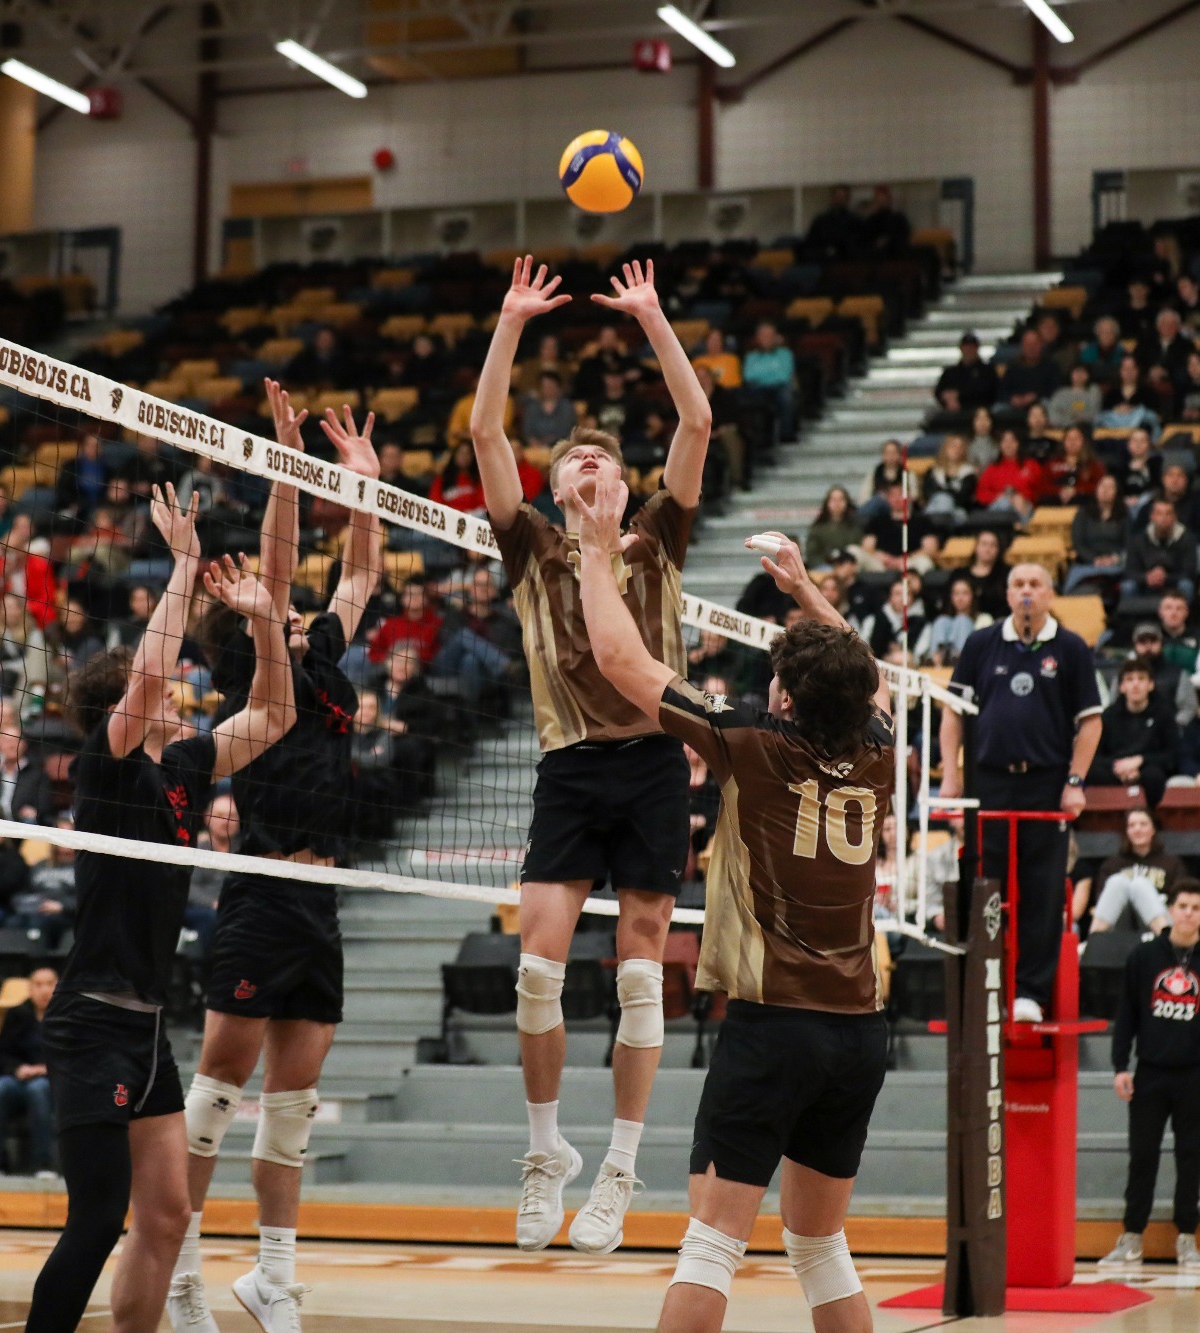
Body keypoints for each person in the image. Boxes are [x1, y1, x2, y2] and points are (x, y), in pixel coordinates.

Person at [571, 489, 892, 1333]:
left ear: (783, 698)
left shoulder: (752, 743)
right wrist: (805, 591)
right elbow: (864, 674)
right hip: (858, 1032)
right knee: (820, 1246)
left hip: (773, 1027)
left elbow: (617, 658)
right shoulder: (881, 752)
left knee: (712, 1244)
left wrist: (596, 550)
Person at [469, 257, 713, 1257]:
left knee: (642, 982)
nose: (586, 466)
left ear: (620, 483)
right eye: (572, 459)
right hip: (569, 765)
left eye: (601, 460)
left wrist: (652, 318)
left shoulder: (655, 536)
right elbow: (485, 432)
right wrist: (510, 321)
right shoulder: (529, 545)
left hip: (654, 760)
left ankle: (616, 1170)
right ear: (559, 485)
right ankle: (543, 1154)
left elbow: (694, 426)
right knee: (535, 971)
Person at [24, 486, 296, 1333]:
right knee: (98, 1219)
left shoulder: (180, 769)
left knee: (168, 1218)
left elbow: (276, 716)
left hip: (144, 1029)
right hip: (91, 1019)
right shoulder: (104, 771)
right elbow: (146, 672)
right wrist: (183, 565)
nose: (180, 688)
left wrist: (262, 626)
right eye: (168, 685)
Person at [165, 391, 383, 1333]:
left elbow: (361, 573)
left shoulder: (319, 649)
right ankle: (176, 1272)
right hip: (259, 886)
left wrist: (365, 491)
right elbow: (285, 562)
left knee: (293, 1107)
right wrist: (287, 463)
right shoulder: (246, 669)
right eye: (278, 604)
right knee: (216, 1094)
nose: (294, 609)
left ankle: (272, 1278)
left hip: (320, 895)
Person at [942, 564, 1102, 1022]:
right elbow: (953, 712)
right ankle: (983, 982)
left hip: (1046, 783)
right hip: (987, 780)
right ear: (1007, 594)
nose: (1027, 592)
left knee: (1042, 889)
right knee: (983, 884)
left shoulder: (1070, 648)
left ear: (1051, 593)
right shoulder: (980, 642)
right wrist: (951, 777)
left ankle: (1031, 991)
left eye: (1036, 584)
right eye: (1019, 585)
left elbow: (1090, 721)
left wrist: (1075, 782)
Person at [1099, 881, 1200, 1275]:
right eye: (1182, 906)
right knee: (1142, 1156)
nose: (1188, 913)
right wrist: (1119, 1065)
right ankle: (1131, 1238)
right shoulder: (1143, 957)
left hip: (1195, 1074)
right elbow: (1127, 1013)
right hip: (1150, 1073)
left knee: (1189, 1156)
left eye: (1196, 907)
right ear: (1171, 909)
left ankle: (1187, 1239)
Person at [0, 965, 57, 1179]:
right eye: (38, 985)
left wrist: (45, 1069)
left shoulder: (68, 1018)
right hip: (18, 1078)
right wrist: (18, 1069)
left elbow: (76, 1057)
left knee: (38, 1090)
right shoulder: (16, 1014)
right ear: (30, 989)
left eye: (50, 984)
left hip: (54, 1082)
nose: (44, 990)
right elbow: (0, 1054)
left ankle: (44, 1164)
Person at [1090, 658, 1178, 807]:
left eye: (1141, 679)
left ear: (1151, 685)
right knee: (1091, 772)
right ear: (1121, 687)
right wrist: (1117, 766)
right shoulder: (1108, 716)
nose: (1135, 684)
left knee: (1154, 776)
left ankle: (1148, 821)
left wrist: (1141, 761)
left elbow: (1173, 754)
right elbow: (1095, 755)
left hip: (1147, 768)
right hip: (1114, 770)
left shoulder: (1163, 714)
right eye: (1129, 680)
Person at [1082, 809, 1187, 935]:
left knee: (1139, 885)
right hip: (1120, 921)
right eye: (1132, 825)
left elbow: (1180, 899)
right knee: (1117, 881)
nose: (1137, 829)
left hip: (1160, 920)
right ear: (1126, 832)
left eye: (1143, 824)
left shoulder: (1172, 863)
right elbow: (1101, 901)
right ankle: (1093, 943)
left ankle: (1168, 943)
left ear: (1153, 830)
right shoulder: (1112, 864)